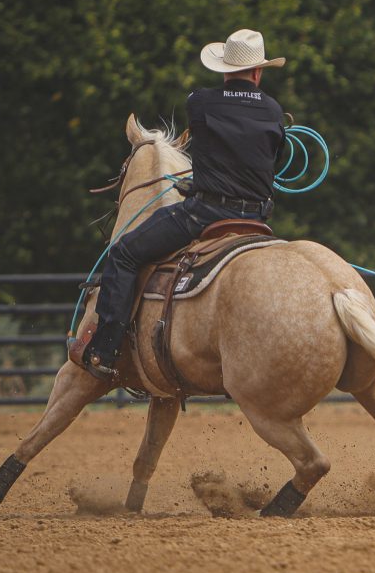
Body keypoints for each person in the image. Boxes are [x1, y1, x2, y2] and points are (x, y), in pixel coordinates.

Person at [81, 28, 286, 380]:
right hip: (257, 217)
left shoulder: (200, 102)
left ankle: (105, 350)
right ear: (258, 73)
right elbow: (272, 159)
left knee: (125, 253)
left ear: (225, 69)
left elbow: (212, 146)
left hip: (205, 214)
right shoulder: (273, 109)